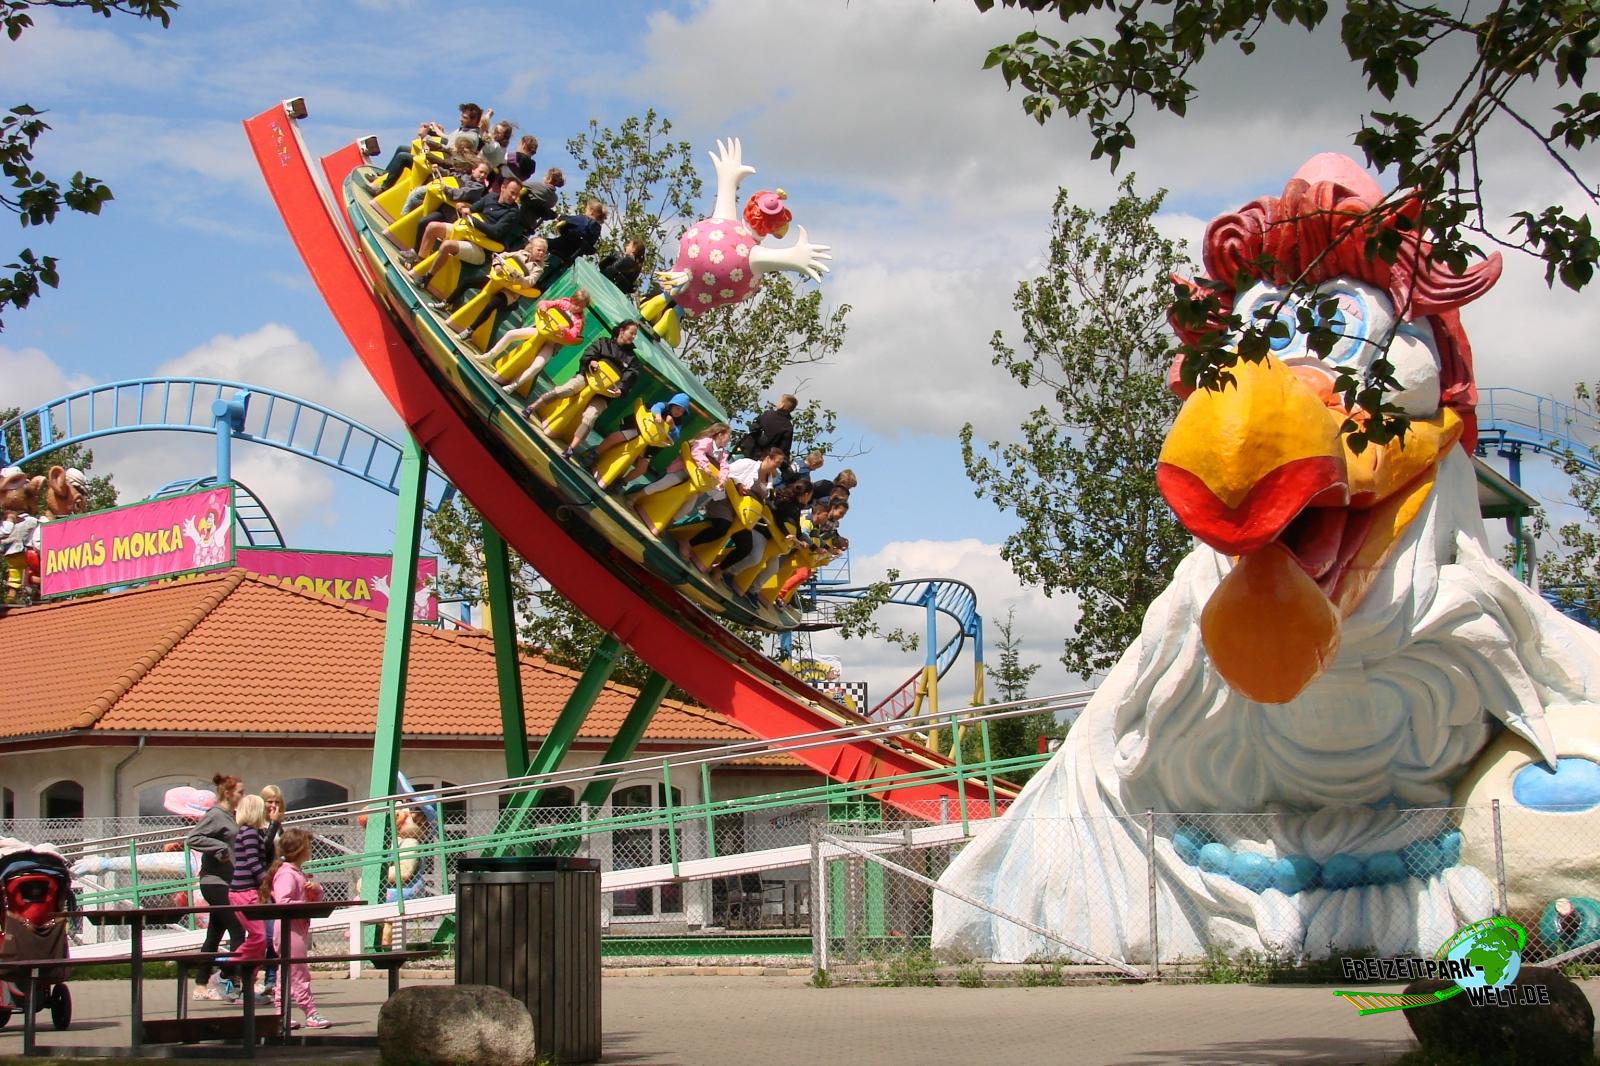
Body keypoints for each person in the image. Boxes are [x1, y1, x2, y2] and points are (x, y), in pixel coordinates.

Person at [526, 321, 642, 458]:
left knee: (590, 416)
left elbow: (630, 377)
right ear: (622, 331)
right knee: (567, 389)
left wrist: (621, 390)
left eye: (635, 334)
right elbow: (589, 353)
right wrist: (591, 361)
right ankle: (531, 407)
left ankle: (571, 448)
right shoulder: (603, 342)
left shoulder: (633, 360)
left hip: (604, 394)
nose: (633, 336)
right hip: (587, 378)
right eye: (631, 332)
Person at [267, 829, 332, 1030]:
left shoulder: (296, 873)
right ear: (301, 849)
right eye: (308, 846)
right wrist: (304, 902)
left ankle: (280, 1013)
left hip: (295, 928)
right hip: (289, 930)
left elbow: (306, 899)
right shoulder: (287, 874)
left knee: (285, 972)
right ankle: (310, 1011)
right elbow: (284, 901)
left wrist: (316, 891)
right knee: (298, 971)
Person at [472, 287, 591, 395]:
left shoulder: (578, 321)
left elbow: (573, 335)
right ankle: (489, 356)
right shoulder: (562, 303)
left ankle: (514, 385)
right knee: (511, 334)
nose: (577, 308)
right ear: (572, 299)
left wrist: (565, 331)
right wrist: (544, 308)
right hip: (539, 331)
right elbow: (544, 303)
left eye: (581, 306)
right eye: (576, 304)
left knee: (537, 365)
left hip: (552, 342)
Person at [189, 773, 245, 1001]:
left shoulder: (232, 816)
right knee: (239, 930)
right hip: (215, 883)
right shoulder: (215, 815)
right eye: (240, 792)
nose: (243, 795)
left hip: (227, 882)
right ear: (228, 793)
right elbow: (193, 838)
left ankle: (201, 985)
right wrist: (219, 848)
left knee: (214, 935)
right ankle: (229, 978)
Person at [409, 179, 526, 288]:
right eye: (512, 193)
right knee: (432, 227)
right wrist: (464, 207)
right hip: (468, 234)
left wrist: (473, 221)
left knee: (447, 245)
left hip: (481, 249)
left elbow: (495, 232)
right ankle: (419, 263)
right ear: (503, 187)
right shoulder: (490, 197)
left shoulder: (513, 212)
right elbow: (473, 209)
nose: (513, 197)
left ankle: (426, 279)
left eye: (516, 195)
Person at [685, 446, 784, 574]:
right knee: (722, 527)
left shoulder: (769, 483)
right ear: (767, 458)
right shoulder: (747, 464)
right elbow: (726, 473)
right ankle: (688, 544)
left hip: (743, 515)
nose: (777, 467)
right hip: (726, 502)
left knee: (746, 547)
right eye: (777, 463)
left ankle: (719, 569)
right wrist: (738, 485)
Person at [369, 104, 483, 193]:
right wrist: (435, 131)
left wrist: (426, 138)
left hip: (444, 165)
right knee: (401, 148)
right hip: (441, 156)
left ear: (473, 120)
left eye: (464, 117)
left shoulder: (470, 137)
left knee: (402, 157)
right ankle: (382, 177)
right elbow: (449, 139)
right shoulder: (463, 129)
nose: (460, 119)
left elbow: (452, 152)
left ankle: (382, 188)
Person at [451, 236, 549, 339]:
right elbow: (500, 256)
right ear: (531, 248)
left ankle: (470, 330)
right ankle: (447, 303)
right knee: (468, 282)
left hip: (510, 292)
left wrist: (518, 277)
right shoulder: (520, 253)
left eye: (544, 251)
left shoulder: (538, 269)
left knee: (492, 304)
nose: (541, 253)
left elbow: (529, 282)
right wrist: (497, 265)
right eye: (539, 250)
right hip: (497, 281)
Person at [389, 160, 491, 253]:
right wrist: (438, 169)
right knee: (416, 203)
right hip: (441, 205)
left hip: (451, 215)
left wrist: (447, 189)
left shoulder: (478, 188)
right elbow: (450, 175)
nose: (482, 175)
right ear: (473, 170)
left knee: (423, 222)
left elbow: (462, 193)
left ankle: (415, 252)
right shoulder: (464, 176)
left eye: (485, 174)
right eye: (481, 171)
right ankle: (400, 227)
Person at [590, 392, 689, 487]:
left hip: (652, 442)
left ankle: (622, 481)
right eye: (677, 408)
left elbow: (676, 436)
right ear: (671, 405)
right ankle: (595, 453)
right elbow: (656, 407)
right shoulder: (664, 406)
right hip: (641, 430)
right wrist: (658, 415)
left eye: (681, 411)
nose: (678, 412)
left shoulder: (678, 422)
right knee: (616, 437)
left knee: (642, 469)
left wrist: (672, 426)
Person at [229, 794, 272, 971]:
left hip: (247, 890)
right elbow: (253, 862)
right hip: (244, 891)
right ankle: (227, 971)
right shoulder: (250, 833)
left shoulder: (252, 832)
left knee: (259, 941)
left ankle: (248, 982)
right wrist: (268, 885)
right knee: (259, 937)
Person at [258, 785, 286, 995]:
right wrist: (274, 825)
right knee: (267, 935)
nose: (273, 806)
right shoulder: (258, 825)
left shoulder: (279, 826)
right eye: (270, 801)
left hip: (279, 881)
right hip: (264, 883)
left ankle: (273, 978)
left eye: (277, 802)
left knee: (277, 933)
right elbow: (263, 849)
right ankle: (264, 977)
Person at [544, 200, 607, 265]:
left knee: (541, 242)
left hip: (562, 245)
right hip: (572, 256)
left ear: (591, 212)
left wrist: (557, 216)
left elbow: (567, 219)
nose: (585, 212)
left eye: (586, 210)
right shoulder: (596, 231)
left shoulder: (584, 220)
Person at [738, 395, 797, 462]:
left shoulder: (767, 414)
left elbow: (754, 426)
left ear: (782, 405)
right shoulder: (788, 427)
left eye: (780, 401)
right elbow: (783, 450)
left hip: (745, 450)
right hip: (762, 459)